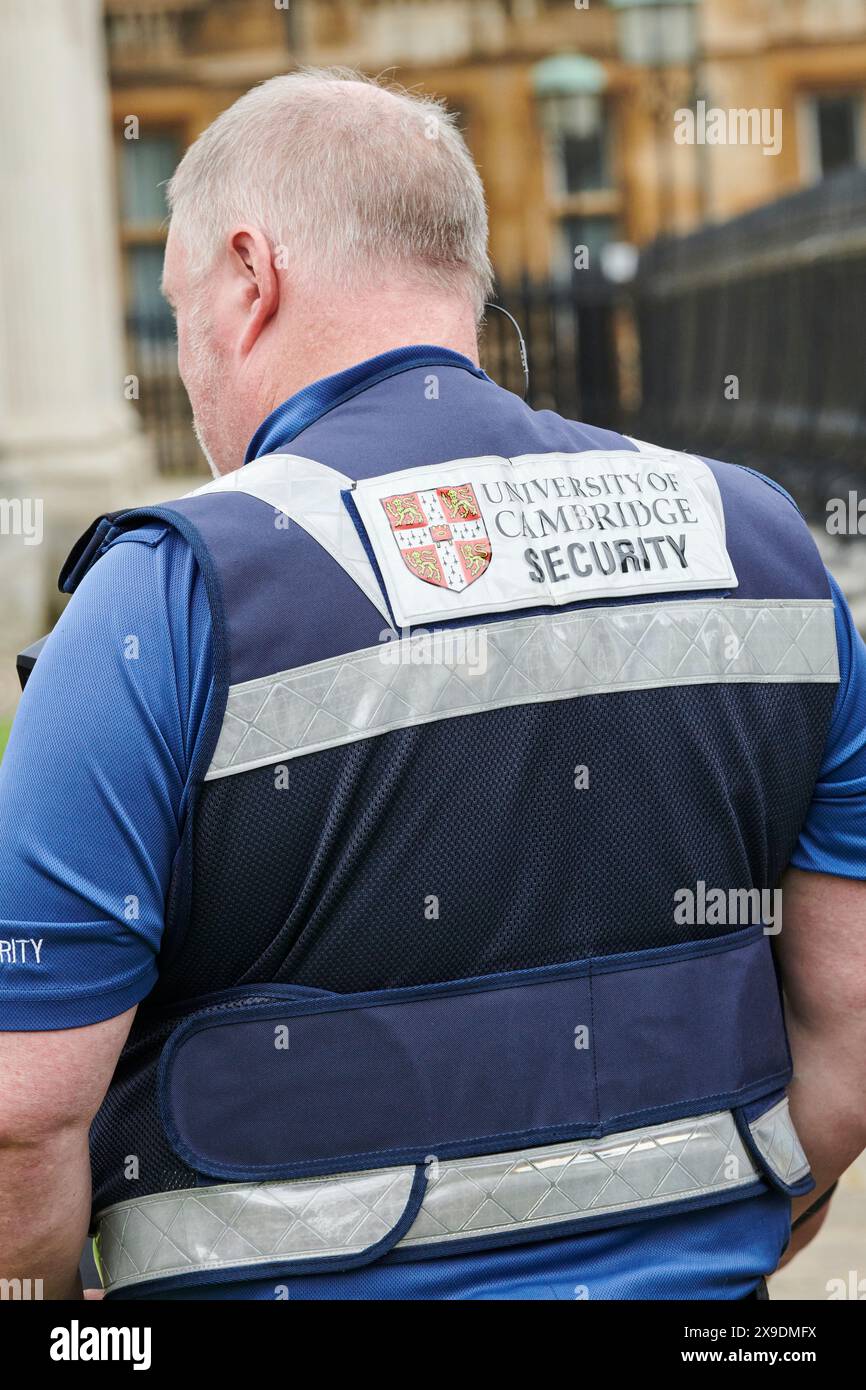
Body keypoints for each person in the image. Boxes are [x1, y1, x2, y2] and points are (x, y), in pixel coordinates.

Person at [1, 69, 865, 1302]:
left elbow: (21, 1118)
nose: (186, 366)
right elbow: (851, 1025)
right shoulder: (762, 545)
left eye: (181, 309)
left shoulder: (162, 598)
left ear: (250, 278)